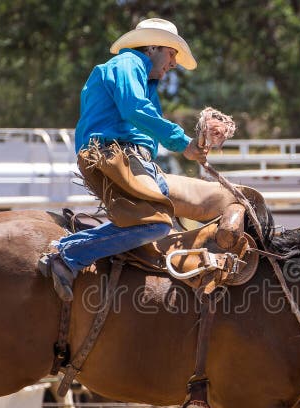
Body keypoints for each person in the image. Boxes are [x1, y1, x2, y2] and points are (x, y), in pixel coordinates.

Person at [43, 18, 212, 301]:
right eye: (172, 54)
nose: (174, 63)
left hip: (129, 158)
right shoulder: (129, 63)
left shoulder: (142, 77)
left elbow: (141, 116)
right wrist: (183, 143)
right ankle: (68, 253)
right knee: (156, 225)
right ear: (154, 47)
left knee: (203, 206)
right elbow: (134, 108)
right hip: (115, 154)